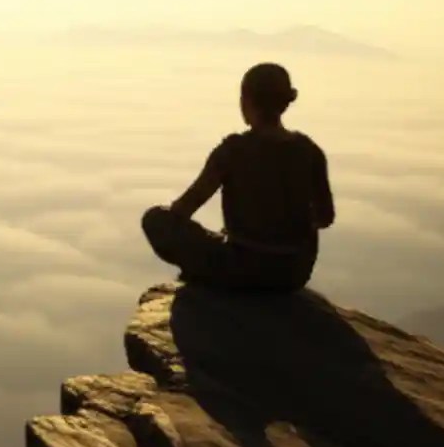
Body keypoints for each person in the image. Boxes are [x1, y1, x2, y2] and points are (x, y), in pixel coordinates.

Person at [142, 63, 335, 292]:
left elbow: (186, 207)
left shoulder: (232, 150)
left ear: (247, 101)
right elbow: (325, 217)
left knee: (155, 220)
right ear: (285, 103)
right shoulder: (310, 151)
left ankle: (207, 278)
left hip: (240, 269)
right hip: (293, 274)